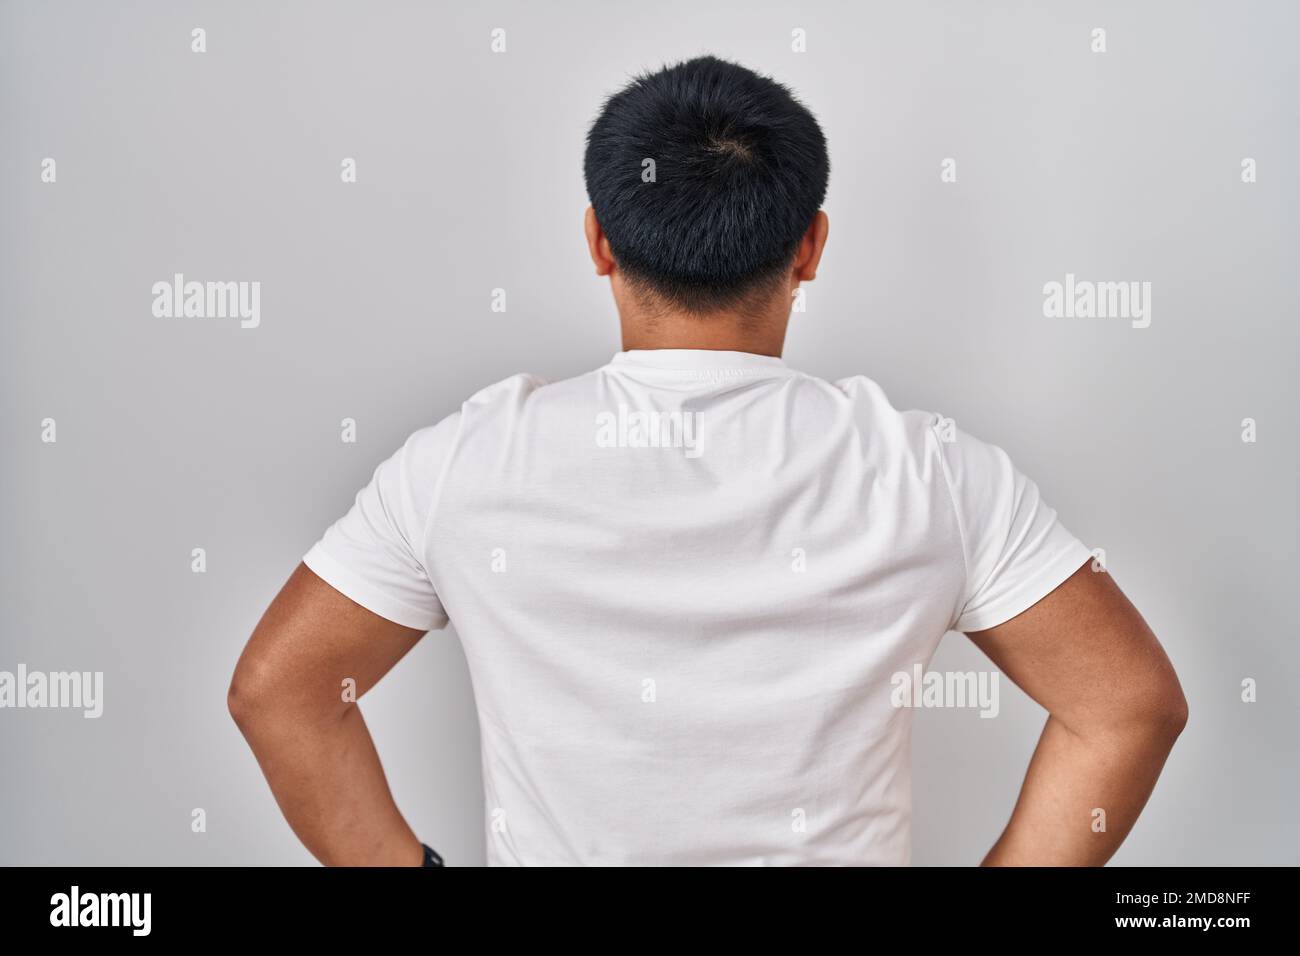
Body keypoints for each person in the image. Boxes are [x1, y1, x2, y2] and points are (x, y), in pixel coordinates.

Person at [228, 56, 1187, 866]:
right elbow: (1129, 707)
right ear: (810, 248)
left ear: (599, 241)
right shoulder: (931, 471)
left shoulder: (465, 463)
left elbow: (280, 694)